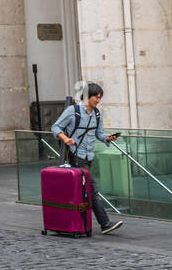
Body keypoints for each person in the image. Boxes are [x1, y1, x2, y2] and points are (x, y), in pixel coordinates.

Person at [51, 83, 123, 234]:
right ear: (87, 96)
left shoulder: (97, 114)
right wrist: (66, 139)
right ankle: (105, 224)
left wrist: (108, 138)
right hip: (75, 156)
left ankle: (76, 222)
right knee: (92, 188)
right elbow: (55, 127)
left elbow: (99, 134)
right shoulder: (73, 111)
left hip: (89, 156)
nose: (98, 100)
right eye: (96, 97)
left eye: (100, 98)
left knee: (83, 191)